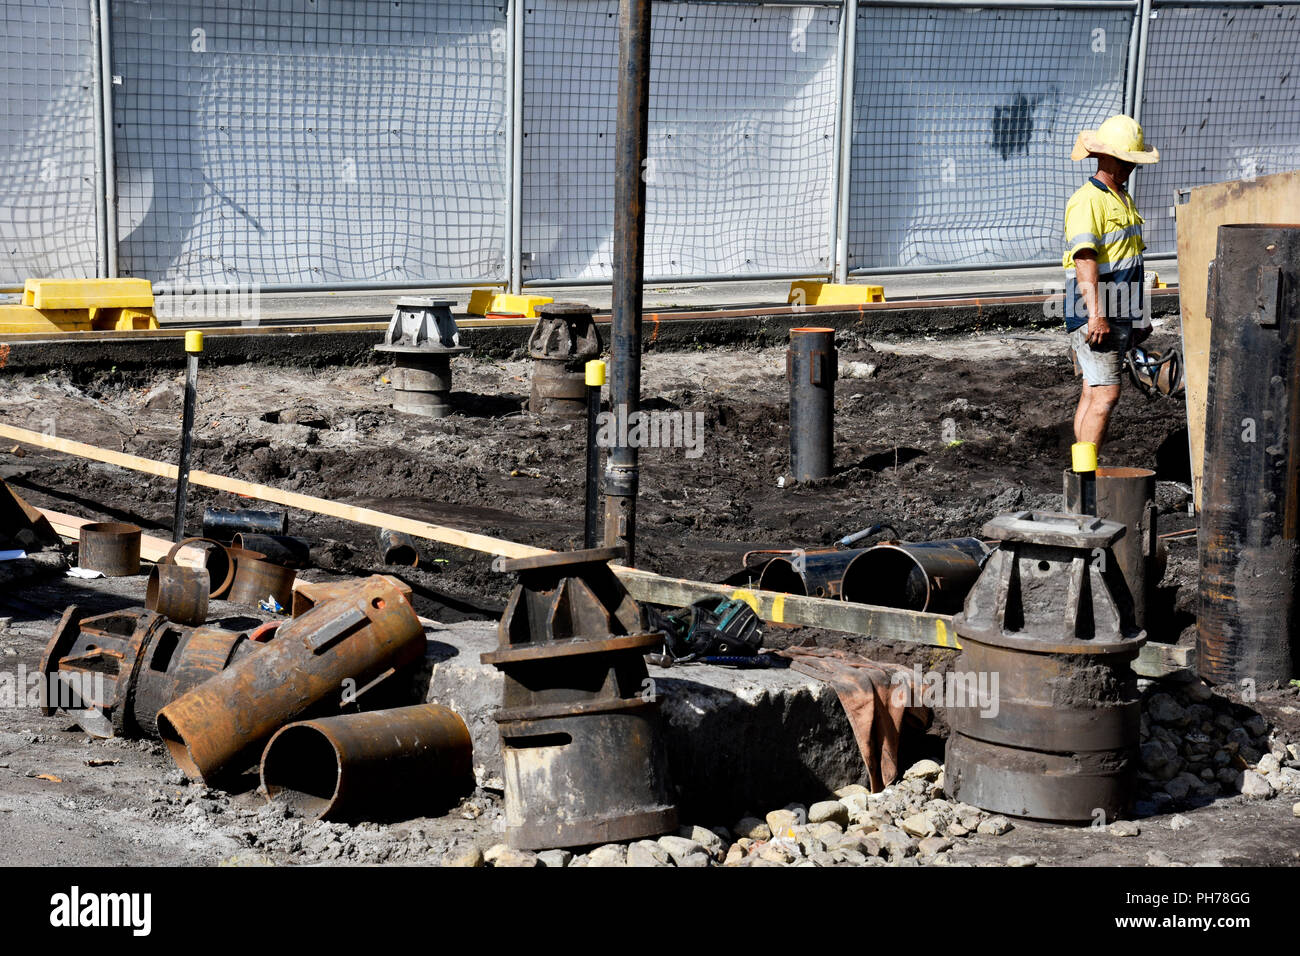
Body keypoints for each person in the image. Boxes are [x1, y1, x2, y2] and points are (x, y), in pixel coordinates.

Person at [1062, 114, 1160, 450]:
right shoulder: (1088, 201)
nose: (1131, 168)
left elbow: (1131, 261)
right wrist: (1096, 315)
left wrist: (1137, 318)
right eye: (1126, 161)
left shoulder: (1121, 198)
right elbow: (1084, 259)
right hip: (1097, 312)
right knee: (1106, 394)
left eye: (1133, 162)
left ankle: (1080, 475)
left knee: (1093, 389)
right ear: (1106, 157)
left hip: (1115, 312)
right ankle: (1085, 481)